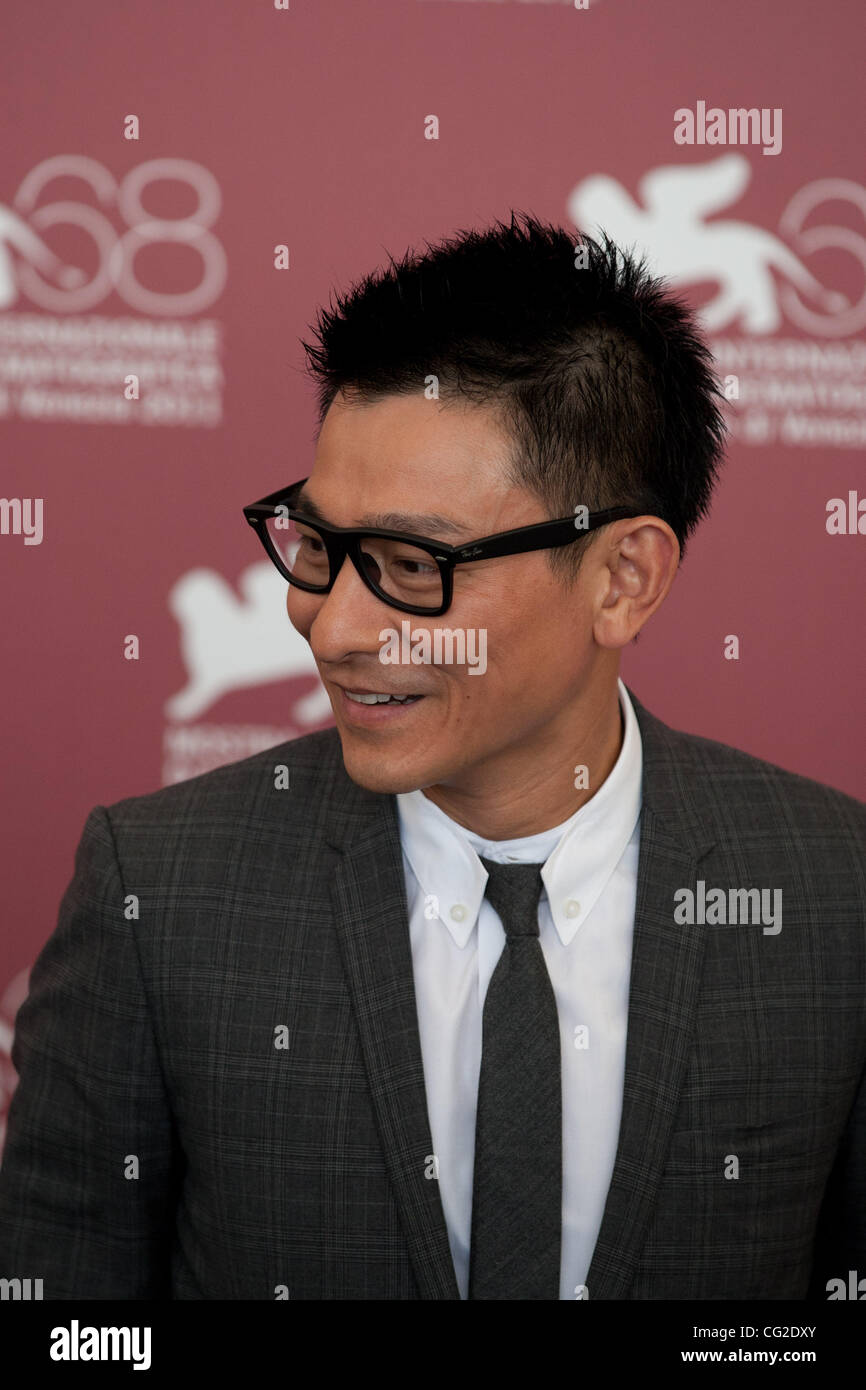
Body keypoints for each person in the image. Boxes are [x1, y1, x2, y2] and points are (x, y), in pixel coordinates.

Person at [0, 216, 863, 1300]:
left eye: (411, 563)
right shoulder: (158, 895)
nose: (331, 627)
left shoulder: (835, 898)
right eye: (318, 547)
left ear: (622, 579)